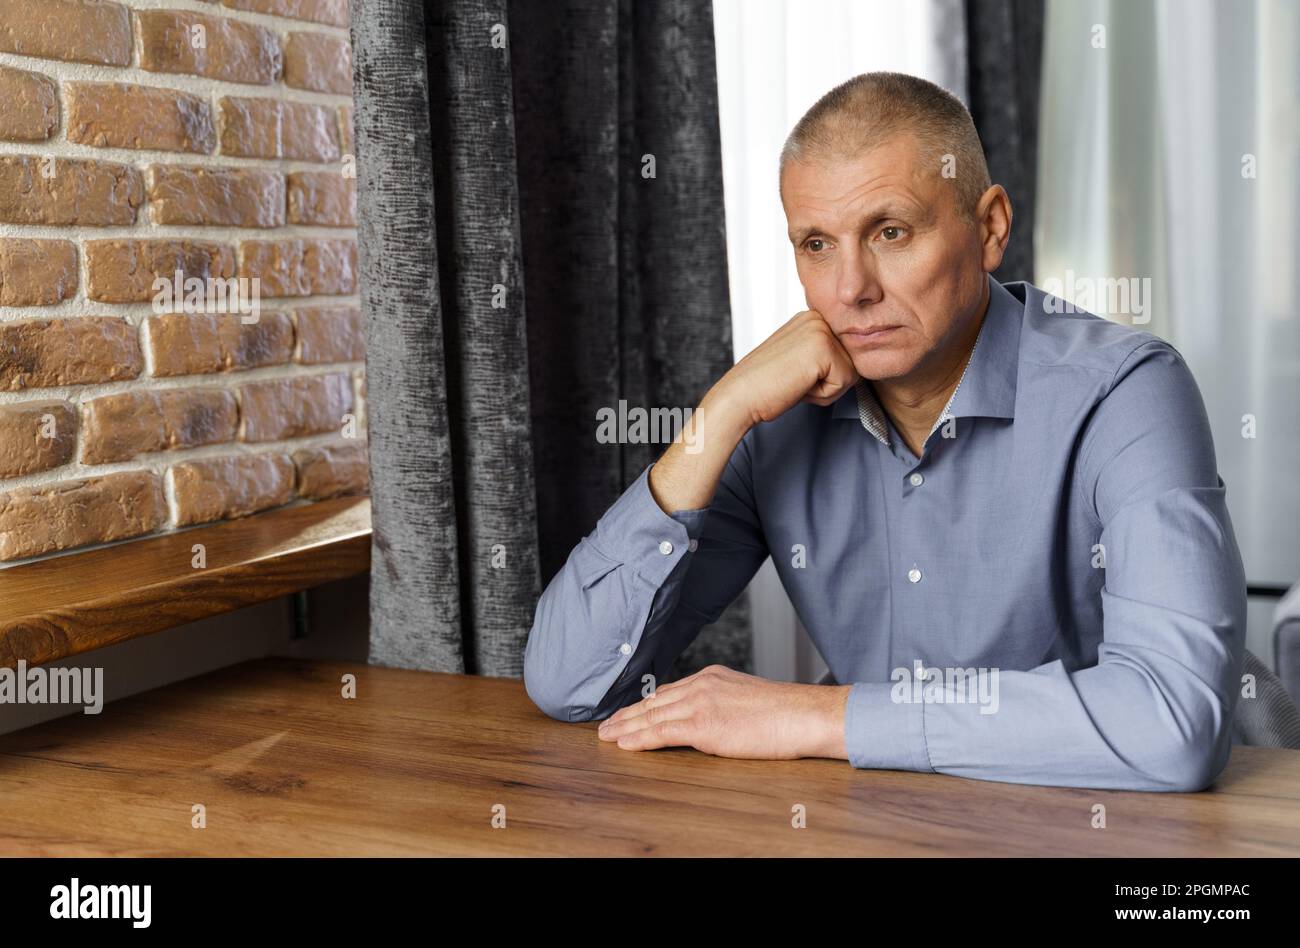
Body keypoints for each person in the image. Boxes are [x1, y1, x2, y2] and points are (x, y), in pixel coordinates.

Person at [523, 71, 1246, 792]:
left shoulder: (1125, 391)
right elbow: (569, 681)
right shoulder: (777, 417)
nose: (850, 290)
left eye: (890, 232)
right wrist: (722, 411)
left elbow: (1171, 723)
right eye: (815, 244)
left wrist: (817, 718)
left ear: (989, 227)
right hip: (877, 824)